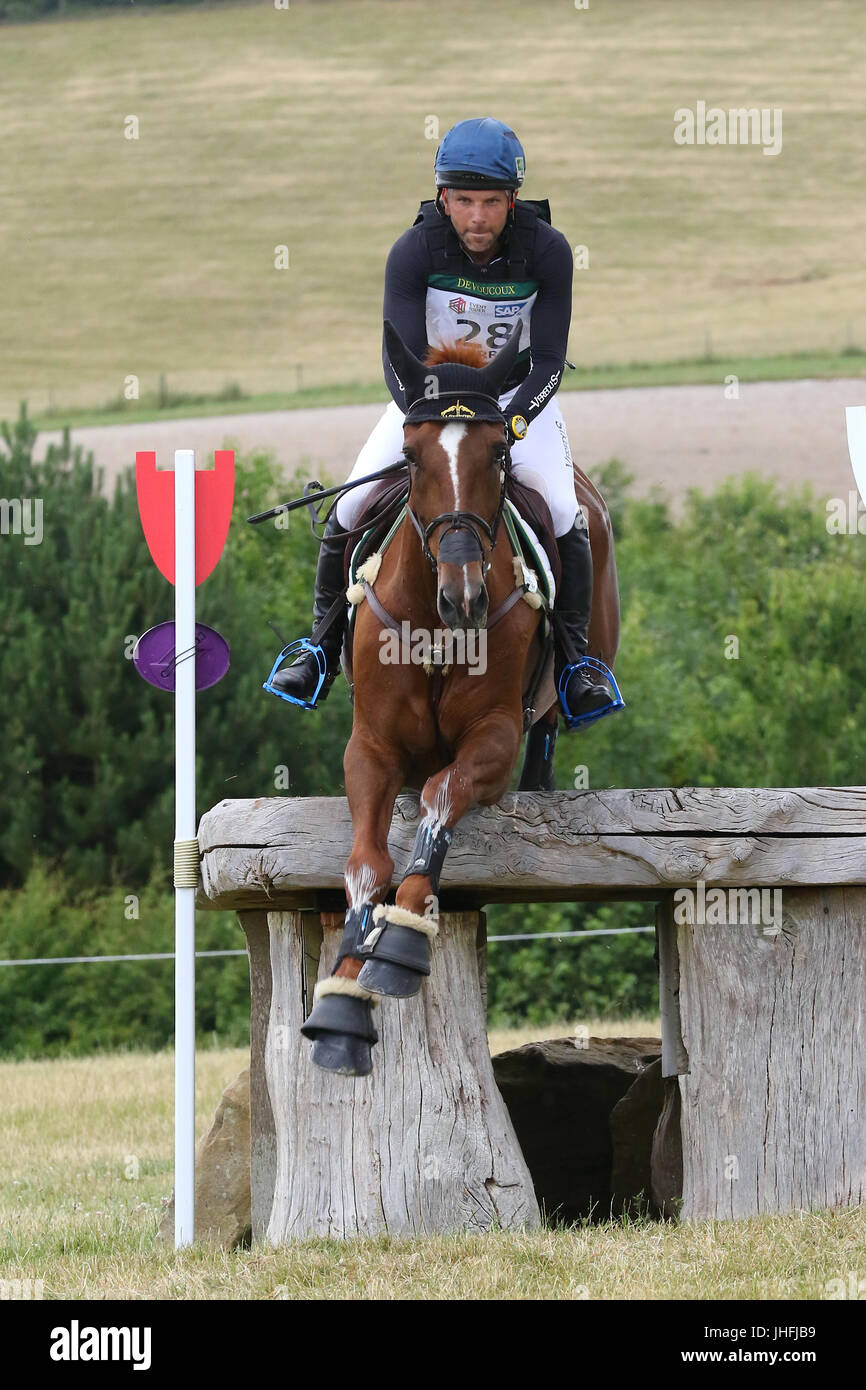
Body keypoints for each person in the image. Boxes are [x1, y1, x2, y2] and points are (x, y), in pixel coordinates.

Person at [269, 116, 614, 722]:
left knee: (564, 511)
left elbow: (552, 360)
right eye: (463, 201)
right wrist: (428, 424)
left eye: (490, 202)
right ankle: (319, 648)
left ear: (512, 200)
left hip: (512, 404)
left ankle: (575, 663)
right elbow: (396, 357)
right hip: (425, 402)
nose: (477, 218)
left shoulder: (549, 251)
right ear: (442, 199)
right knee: (348, 507)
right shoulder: (413, 252)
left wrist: (510, 427)